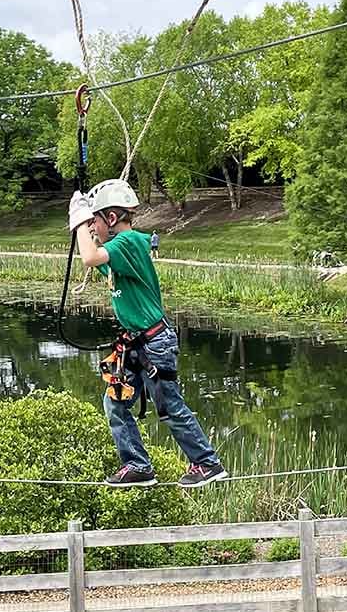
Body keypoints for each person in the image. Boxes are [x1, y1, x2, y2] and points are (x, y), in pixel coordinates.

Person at [68, 179, 227, 489]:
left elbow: (89, 257)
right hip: (137, 343)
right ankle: (137, 465)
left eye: (95, 222)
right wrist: (86, 224)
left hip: (154, 343)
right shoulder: (120, 250)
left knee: (168, 406)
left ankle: (207, 463)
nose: (93, 230)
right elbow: (95, 257)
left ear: (110, 218)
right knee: (115, 402)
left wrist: (78, 218)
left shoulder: (129, 242)